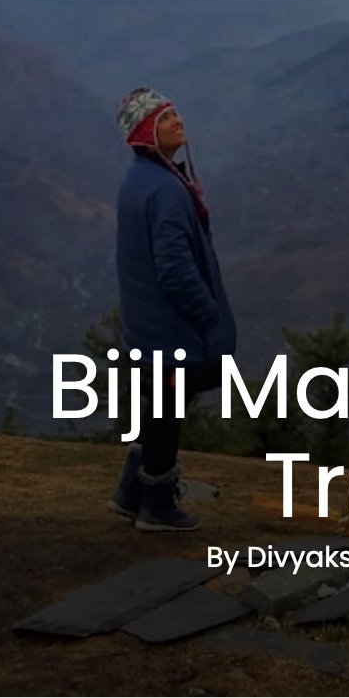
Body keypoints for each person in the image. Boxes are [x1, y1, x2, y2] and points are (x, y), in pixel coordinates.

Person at [110, 86, 236, 531]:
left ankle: (131, 492)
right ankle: (157, 504)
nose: (177, 120)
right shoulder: (165, 191)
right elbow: (175, 270)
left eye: (176, 113)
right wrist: (209, 314)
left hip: (147, 327)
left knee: (162, 402)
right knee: (169, 406)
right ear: (146, 133)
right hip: (170, 329)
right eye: (165, 118)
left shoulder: (140, 181)